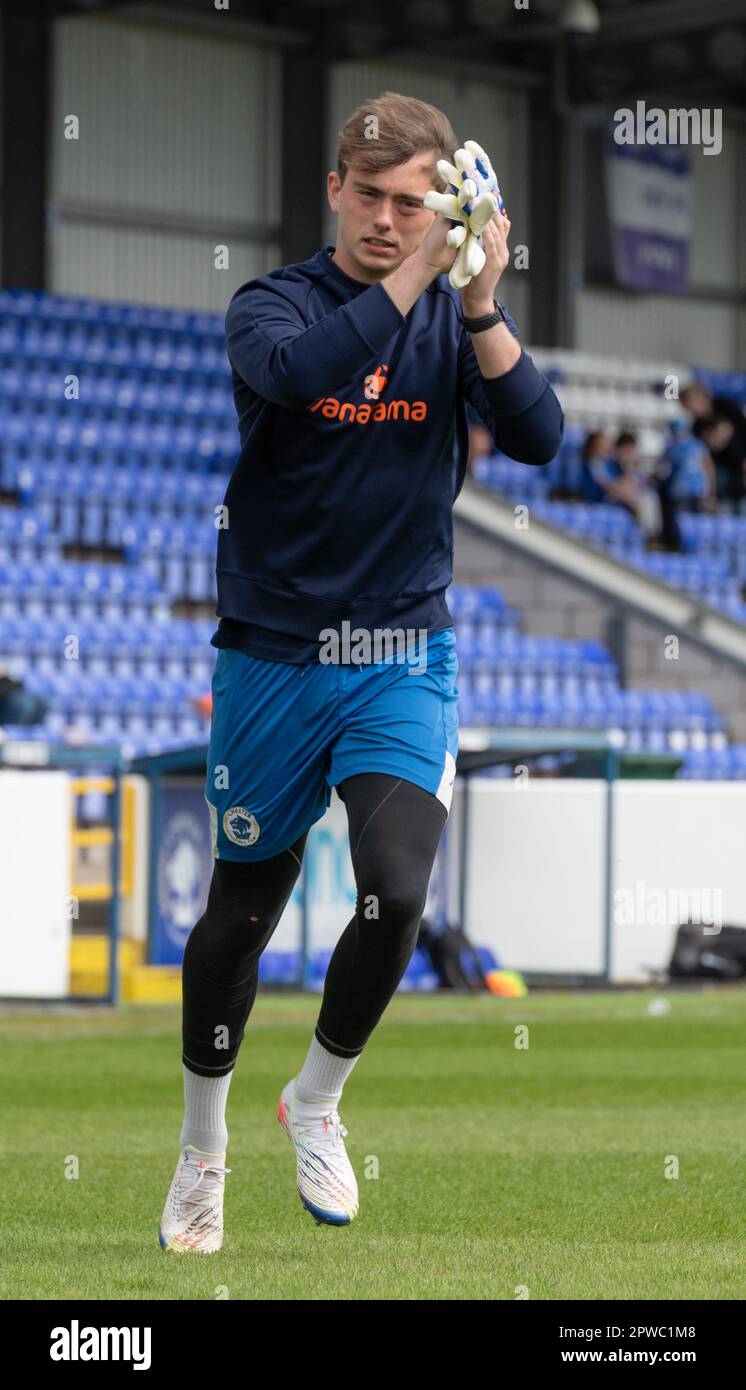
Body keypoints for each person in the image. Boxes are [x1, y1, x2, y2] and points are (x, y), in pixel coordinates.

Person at [159, 91, 563, 1251]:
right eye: (374, 198)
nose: (392, 222)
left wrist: (479, 300)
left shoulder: (447, 312)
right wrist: (425, 271)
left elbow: (537, 438)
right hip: (271, 654)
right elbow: (301, 374)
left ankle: (317, 1100)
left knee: (395, 888)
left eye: (414, 203)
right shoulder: (269, 305)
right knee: (240, 915)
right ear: (335, 190)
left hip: (399, 648)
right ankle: (202, 1147)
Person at [680, 382, 746, 508]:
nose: (690, 409)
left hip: (739, 463)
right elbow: (706, 455)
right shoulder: (696, 427)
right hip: (721, 471)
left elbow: (743, 429)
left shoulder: (727, 407)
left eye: (692, 403)